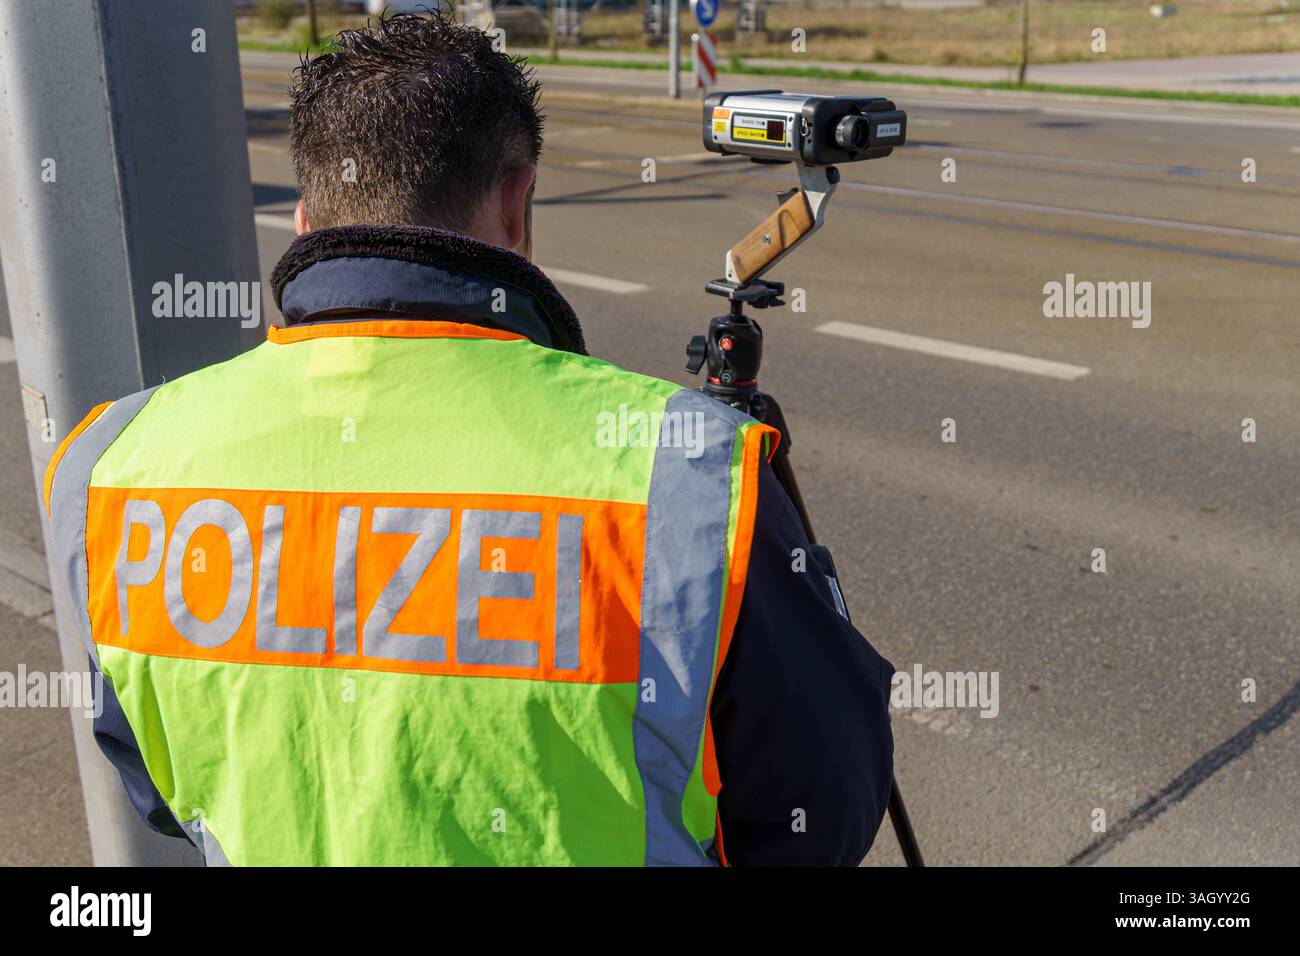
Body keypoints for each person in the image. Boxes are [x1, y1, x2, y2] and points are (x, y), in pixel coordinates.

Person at [45, 12, 893, 866]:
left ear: (306, 217)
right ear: (517, 206)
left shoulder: (115, 462)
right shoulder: (692, 476)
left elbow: (153, 780)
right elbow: (819, 814)